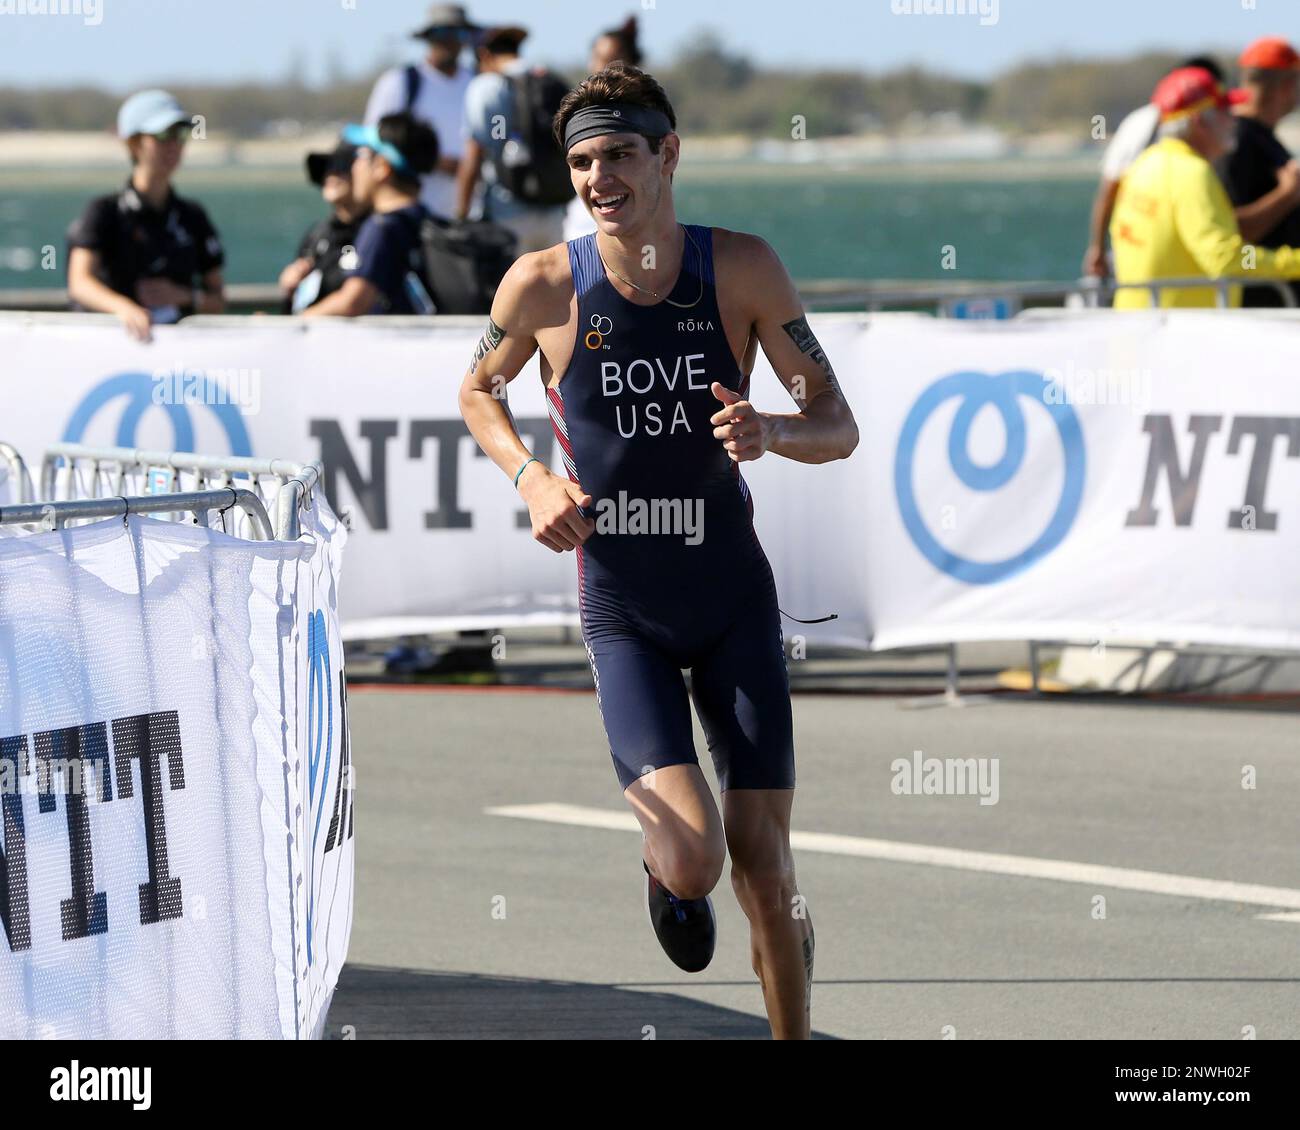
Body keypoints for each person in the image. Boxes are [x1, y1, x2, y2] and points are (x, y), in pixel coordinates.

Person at [458, 63, 859, 1039]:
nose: (599, 177)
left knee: (764, 861)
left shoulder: (746, 269)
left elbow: (836, 421)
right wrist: (531, 478)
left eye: (619, 155)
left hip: (729, 596)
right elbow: (478, 391)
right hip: (625, 608)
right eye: (582, 160)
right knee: (695, 862)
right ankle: (662, 871)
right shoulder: (544, 283)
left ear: (668, 153)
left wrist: (772, 430)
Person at [1110, 66, 1300, 308]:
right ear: (1200, 121)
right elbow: (1224, 261)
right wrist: (1294, 262)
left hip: (1139, 322)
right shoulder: (1192, 173)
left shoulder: (1144, 164)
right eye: (1225, 110)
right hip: (1182, 333)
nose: (1234, 119)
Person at [66, 89, 224, 342]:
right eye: (162, 135)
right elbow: (79, 282)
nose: (174, 145)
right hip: (112, 352)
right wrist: (123, 308)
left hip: (176, 358)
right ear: (133, 143)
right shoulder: (104, 211)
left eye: (180, 134)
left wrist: (184, 296)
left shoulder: (193, 216)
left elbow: (218, 298)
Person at [1083, 56, 1225, 279]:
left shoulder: (1138, 122)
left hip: (1143, 250)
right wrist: (1097, 249)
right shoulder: (1144, 125)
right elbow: (1110, 187)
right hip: (1159, 257)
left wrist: (1097, 248)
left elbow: (1109, 188)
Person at [303, 114, 439, 316]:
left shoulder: (381, 227)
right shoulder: (424, 218)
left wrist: (295, 323)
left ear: (381, 167)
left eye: (361, 156)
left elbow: (353, 302)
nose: (354, 166)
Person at [454, 26, 571, 254]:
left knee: (512, 288)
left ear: (485, 55)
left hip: (506, 212)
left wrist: (461, 214)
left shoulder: (485, 86)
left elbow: (474, 153)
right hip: (555, 210)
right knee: (557, 287)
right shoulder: (549, 79)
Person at [364, 3, 478, 220]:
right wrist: (432, 161)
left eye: (458, 33)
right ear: (428, 37)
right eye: (442, 32)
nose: (450, 41)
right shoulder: (400, 83)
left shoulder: (478, 83)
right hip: (412, 215)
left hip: (470, 217)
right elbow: (374, 142)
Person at [1218, 37, 1300, 306]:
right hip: (1262, 308)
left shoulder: (1254, 137)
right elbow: (1231, 229)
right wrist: (1287, 195)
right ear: (1287, 85)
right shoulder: (1238, 141)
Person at [563, 15, 644, 242]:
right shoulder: (582, 108)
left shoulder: (647, 110)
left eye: (612, 60)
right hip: (584, 221)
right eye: (598, 58)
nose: (602, 67)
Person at [279, 141, 366, 314]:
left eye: (342, 168)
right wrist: (290, 285)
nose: (331, 175)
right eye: (328, 168)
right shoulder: (318, 234)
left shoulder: (375, 231)